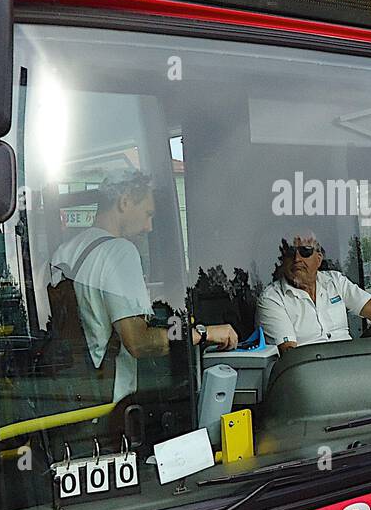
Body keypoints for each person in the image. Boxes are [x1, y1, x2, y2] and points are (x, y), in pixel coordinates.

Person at [50, 170, 237, 404]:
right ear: (125, 201)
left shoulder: (65, 252)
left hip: (76, 396)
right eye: (148, 214)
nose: (149, 226)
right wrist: (202, 333)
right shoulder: (120, 251)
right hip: (112, 405)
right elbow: (140, 342)